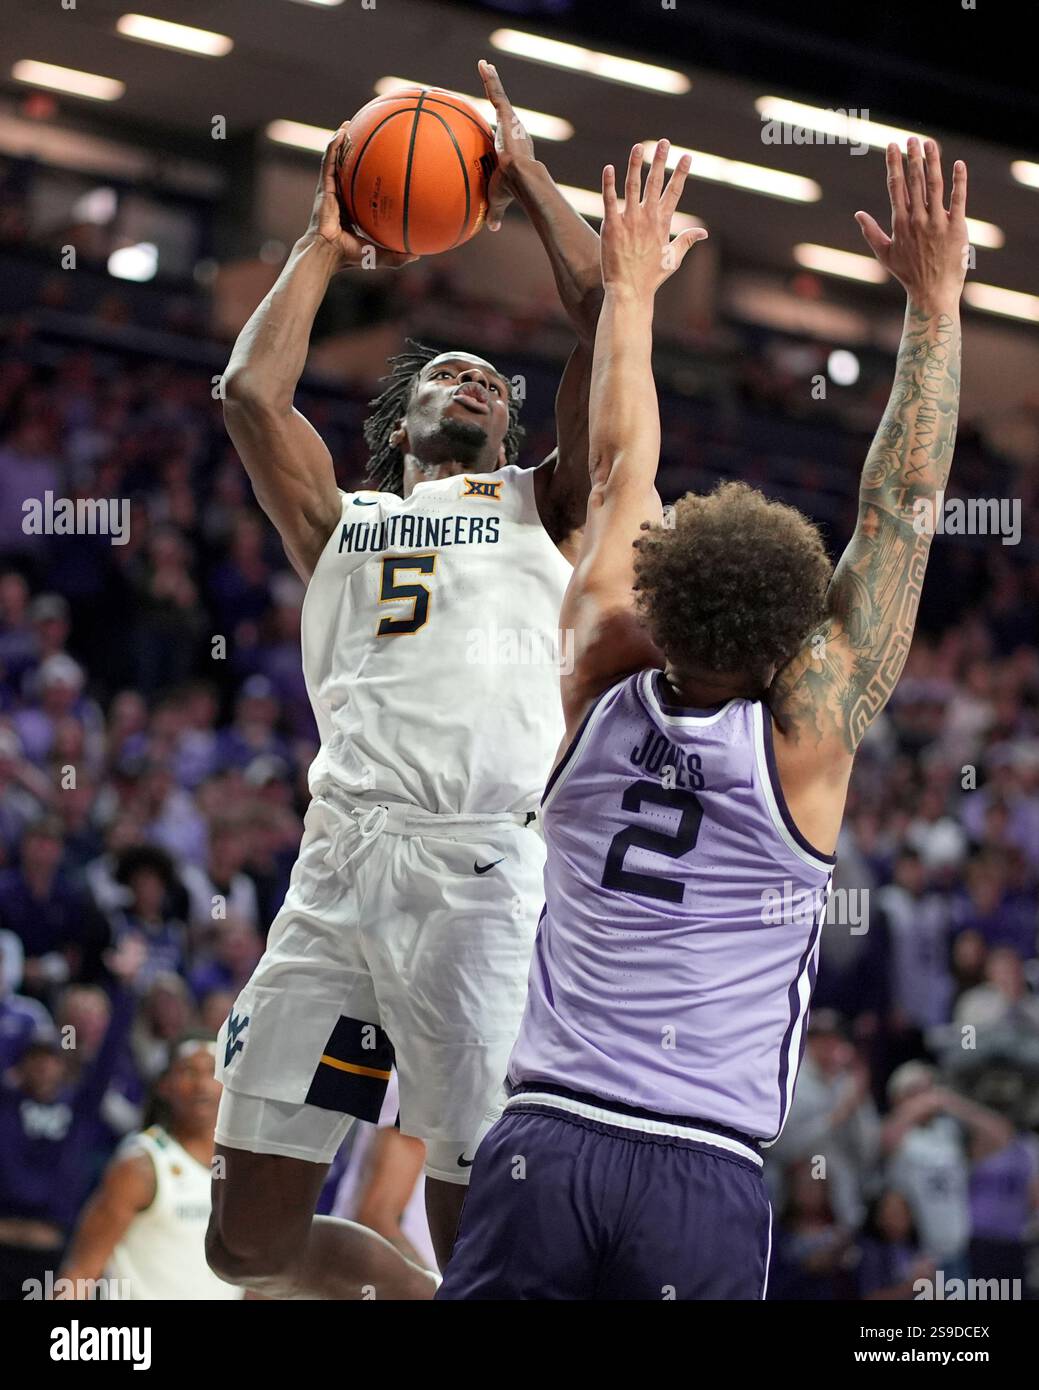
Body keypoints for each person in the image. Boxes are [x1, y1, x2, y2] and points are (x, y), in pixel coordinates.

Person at [438, 134, 969, 1299]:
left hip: (544, 1143)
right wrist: (934, 305)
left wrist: (627, 291)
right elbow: (901, 506)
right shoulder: (807, 734)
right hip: (699, 1172)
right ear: (793, 641)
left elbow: (624, 462)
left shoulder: (596, 669)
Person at [206, 61, 603, 1296]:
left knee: (478, 1213)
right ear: (401, 416)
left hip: (475, 877)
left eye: (494, 380)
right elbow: (246, 393)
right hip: (338, 869)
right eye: (449, 371)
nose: (477, 378)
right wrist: (325, 240)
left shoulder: (549, 503)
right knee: (246, 1243)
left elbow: (604, 317)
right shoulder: (344, 517)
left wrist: (525, 175)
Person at [59, 1038, 241, 1300]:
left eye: (212, 1071)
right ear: (165, 1085)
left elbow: (258, 1280)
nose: (201, 1084)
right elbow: (80, 1273)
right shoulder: (140, 1165)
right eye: (189, 1071)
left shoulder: (243, 1172)